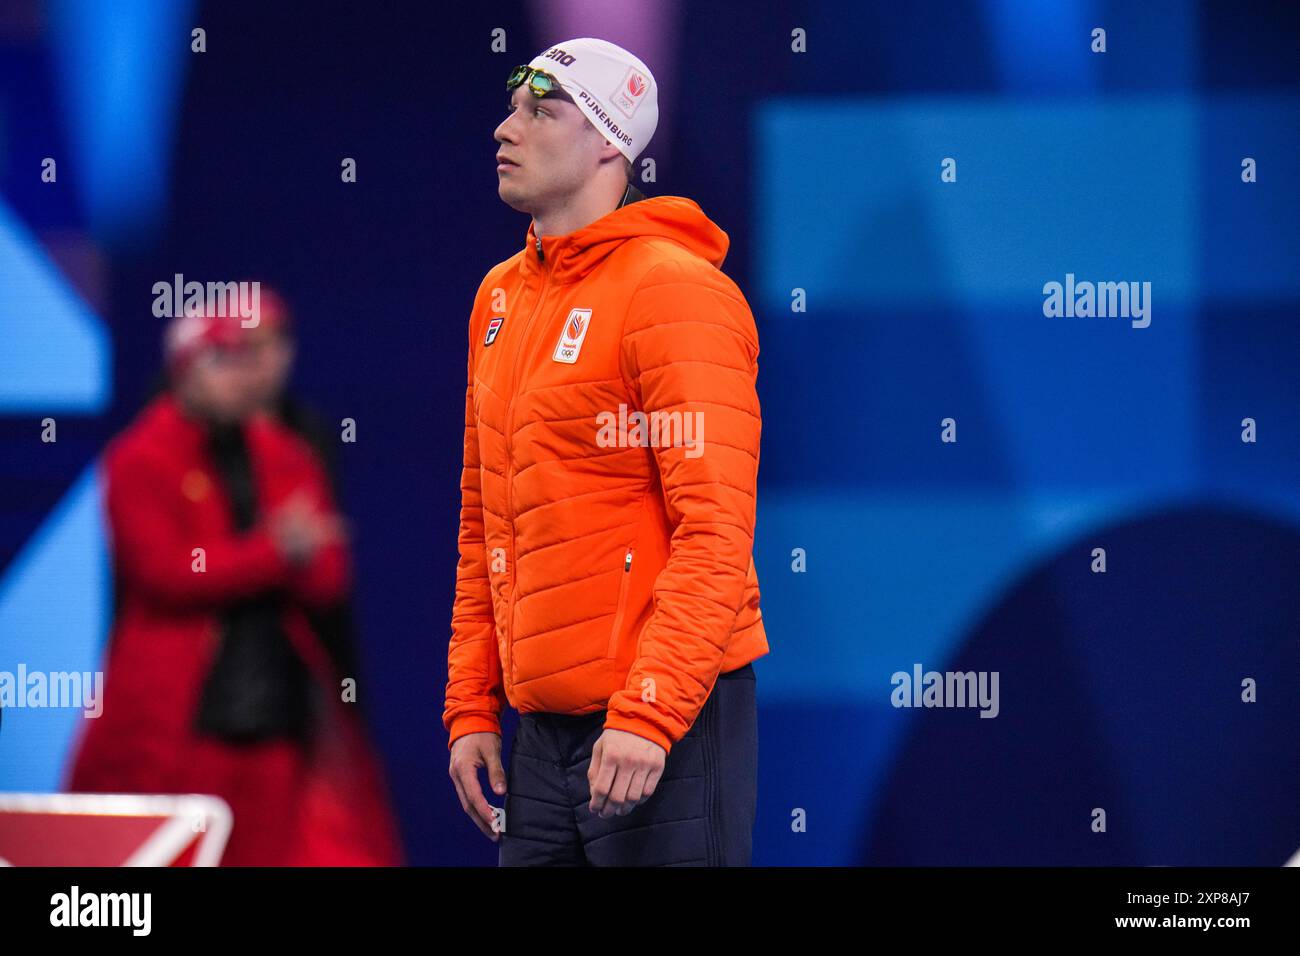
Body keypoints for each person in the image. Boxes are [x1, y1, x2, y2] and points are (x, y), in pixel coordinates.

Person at [444, 37, 769, 866]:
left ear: (607, 145)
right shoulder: (499, 298)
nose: (504, 129)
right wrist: (470, 708)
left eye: (538, 111)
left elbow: (716, 532)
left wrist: (650, 711)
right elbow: (485, 525)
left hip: (663, 724)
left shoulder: (675, 290)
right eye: (513, 107)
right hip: (540, 736)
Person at [66, 305, 402, 866]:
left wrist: (284, 556)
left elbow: (328, 576)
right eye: (220, 359)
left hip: (276, 713)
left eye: (245, 358)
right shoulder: (139, 458)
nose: (238, 373)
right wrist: (274, 553)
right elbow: (165, 573)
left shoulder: (288, 451)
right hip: (182, 716)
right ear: (184, 368)